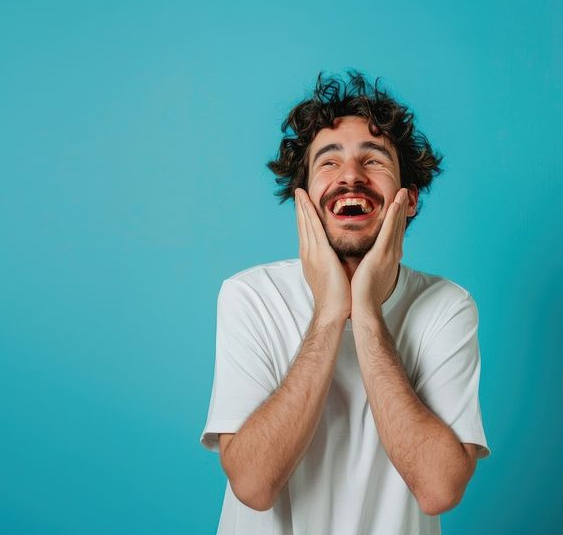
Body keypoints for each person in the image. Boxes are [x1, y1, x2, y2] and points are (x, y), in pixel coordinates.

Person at [201, 71, 489, 534]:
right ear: (305, 201)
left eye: (373, 161)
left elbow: (439, 489)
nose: (350, 176)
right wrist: (331, 312)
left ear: (408, 199)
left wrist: (369, 314)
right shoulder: (251, 297)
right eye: (328, 163)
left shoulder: (446, 307)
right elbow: (253, 485)